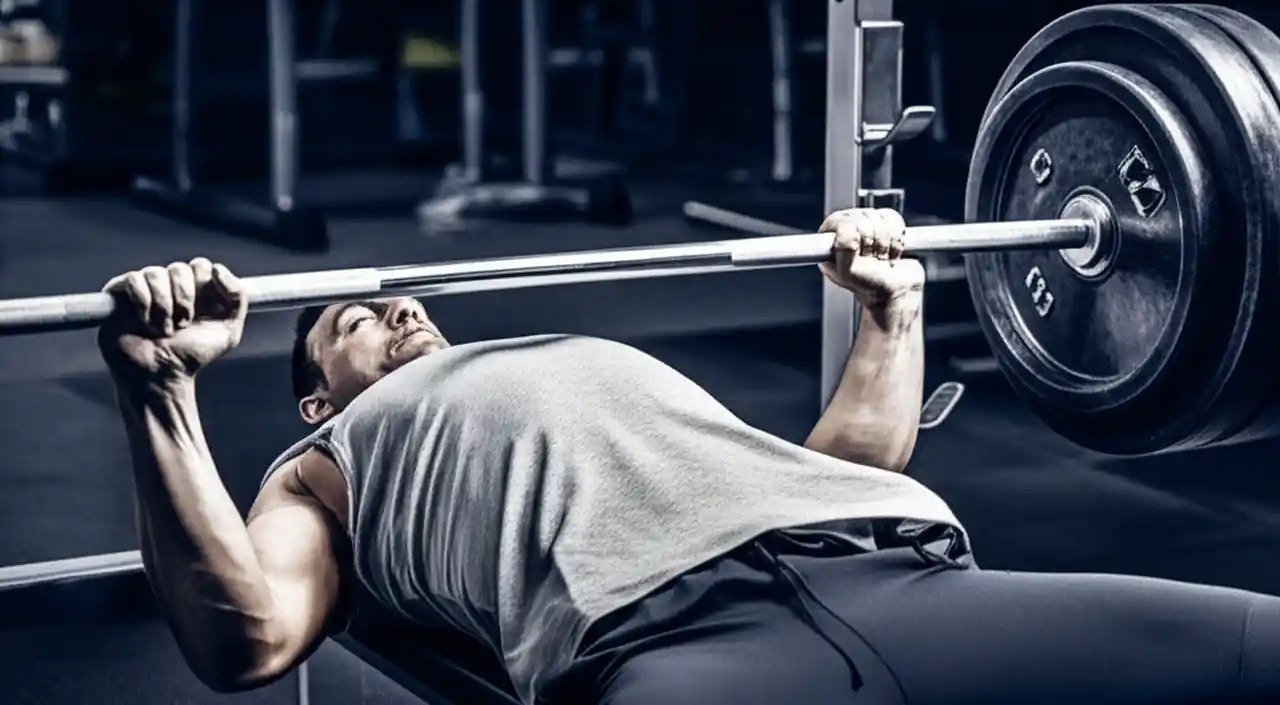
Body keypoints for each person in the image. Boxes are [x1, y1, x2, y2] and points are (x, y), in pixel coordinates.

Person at [99, 209, 1280, 705]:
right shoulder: (329, 460)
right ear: (316, 393)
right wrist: (162, 389)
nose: (398, 314)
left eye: (405, 304)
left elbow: (836, 466)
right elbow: (242, 634)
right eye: (357, 321)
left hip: (911, 582)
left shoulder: (572, 356)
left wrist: (889, 309)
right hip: (683, 655)